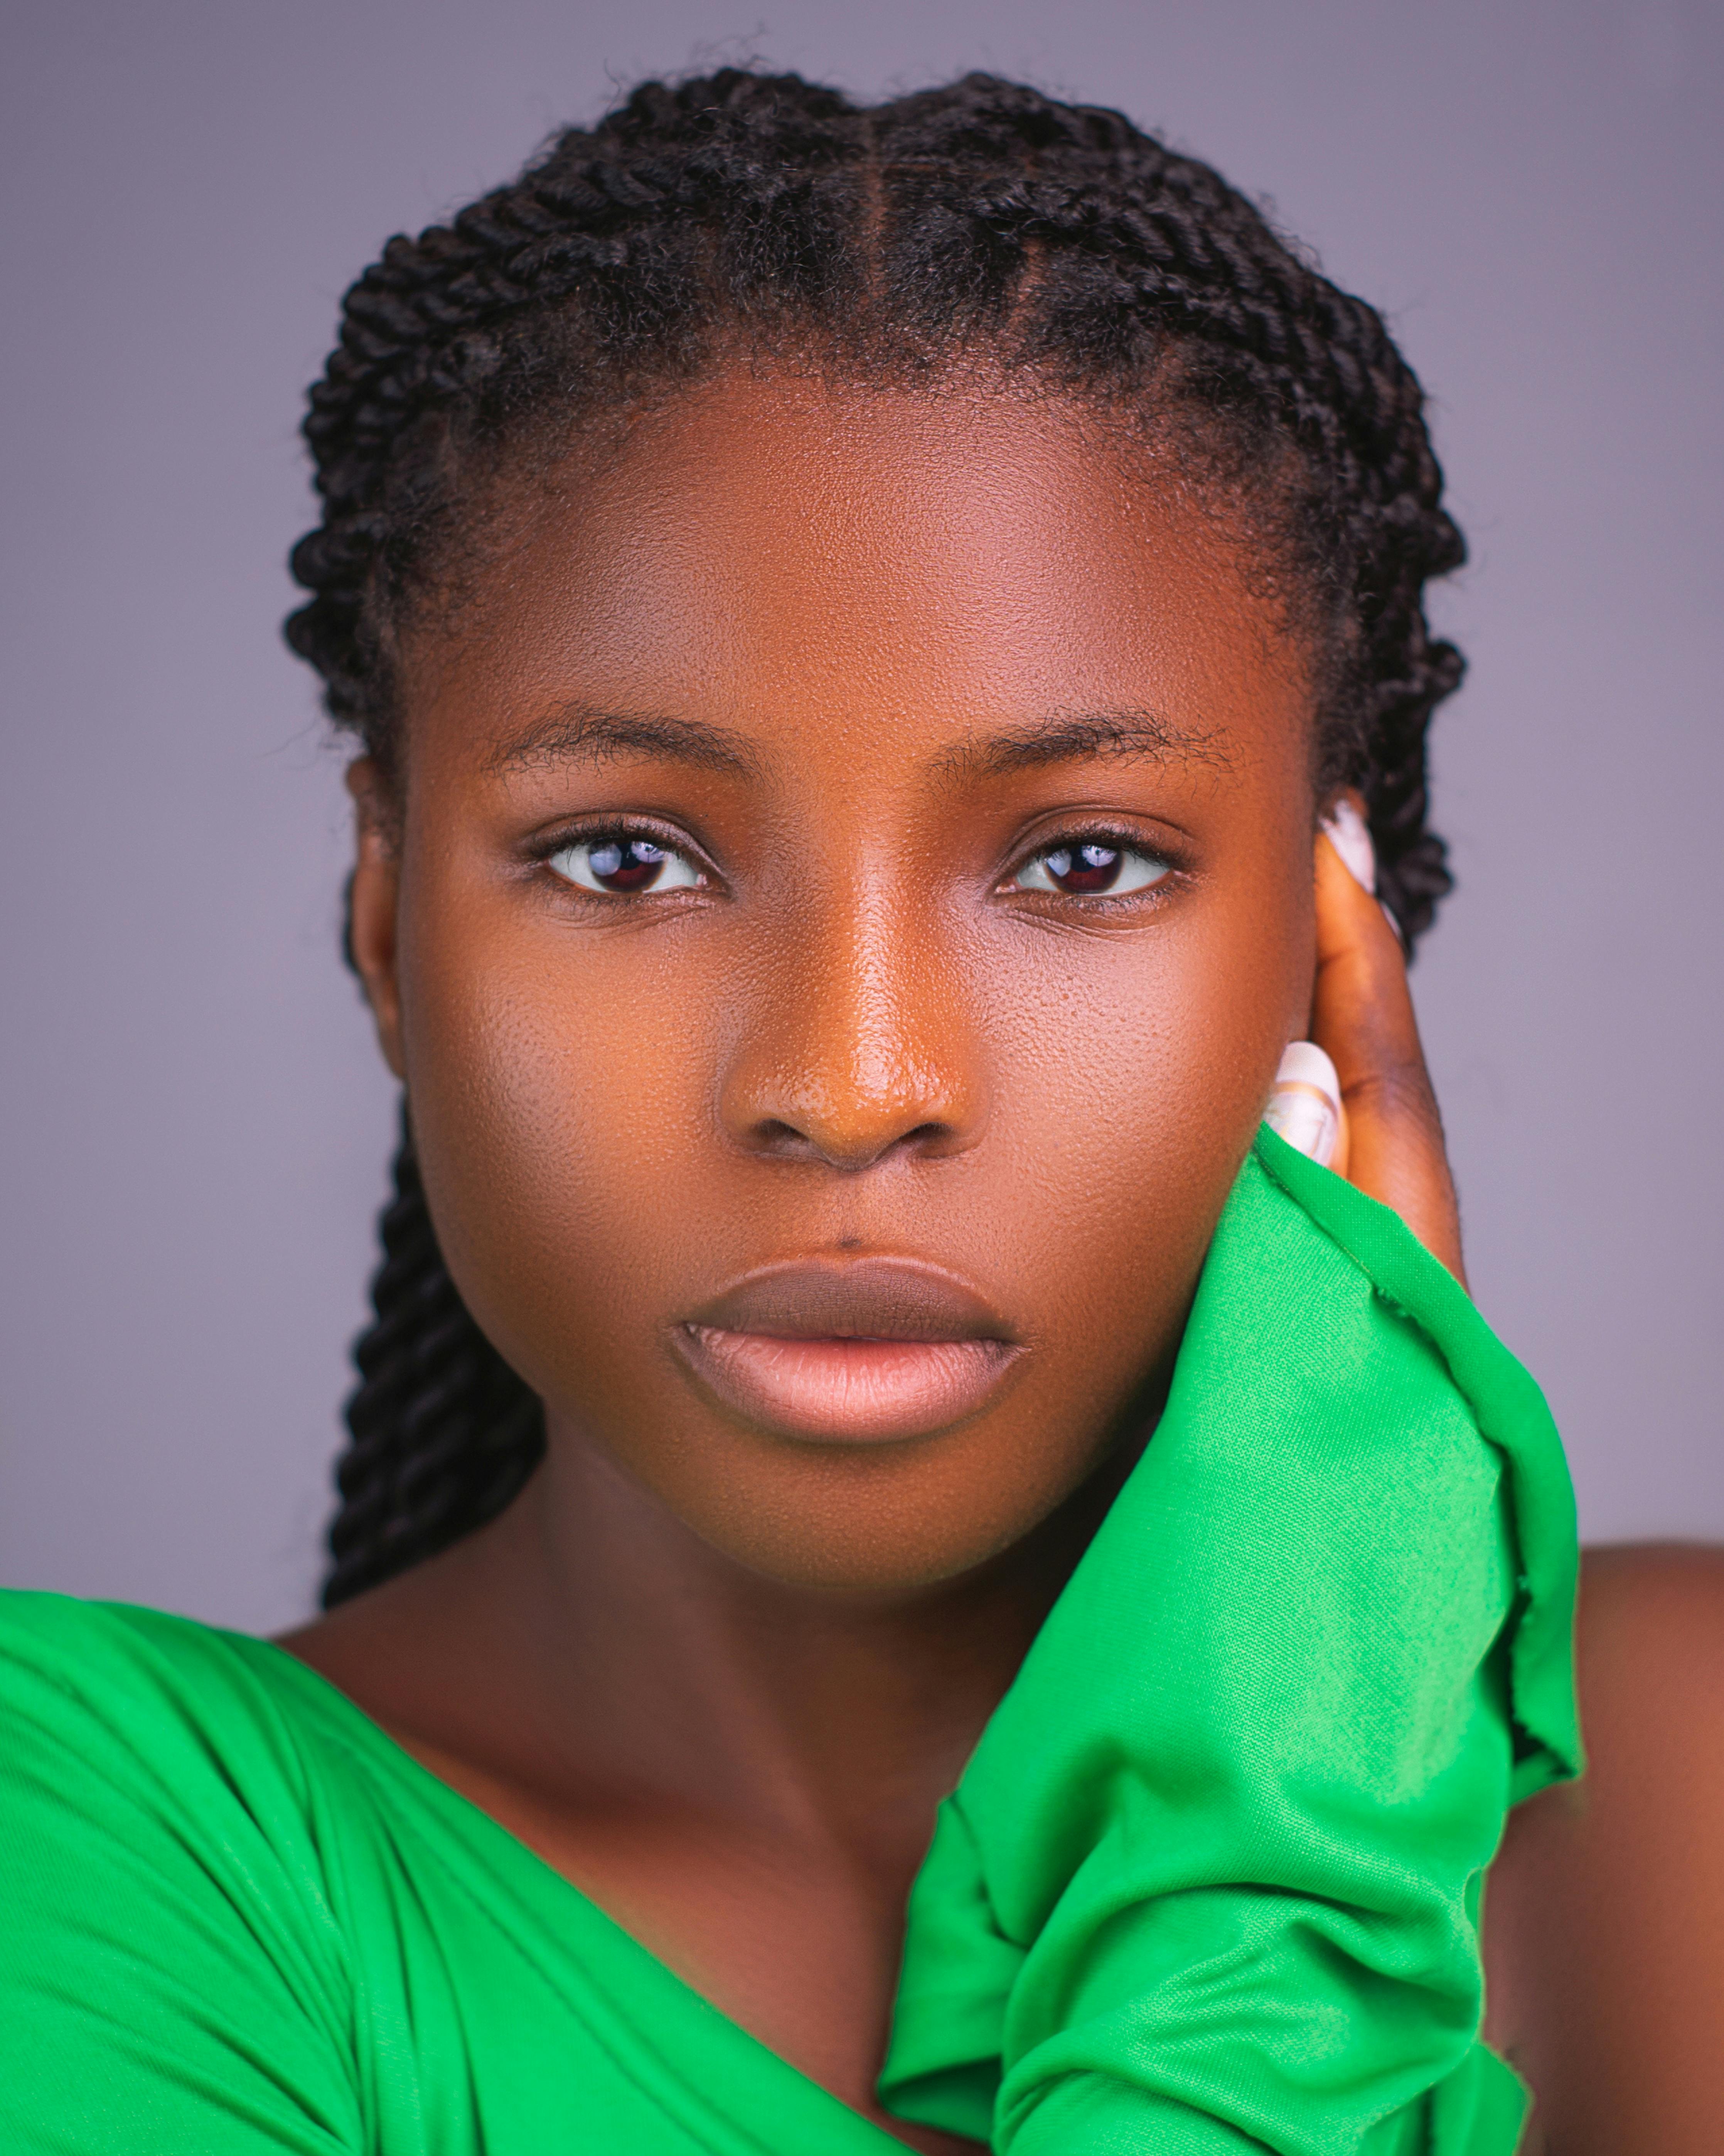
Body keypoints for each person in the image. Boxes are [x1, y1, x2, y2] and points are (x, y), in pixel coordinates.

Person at [1, 67, 1718, 2155]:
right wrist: (1270, 1866)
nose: (848, 1082)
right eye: (628, 856)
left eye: (1080, 859)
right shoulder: (107, 1848)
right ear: (386, 919)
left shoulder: (1682, 1783)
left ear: (1322, 941)